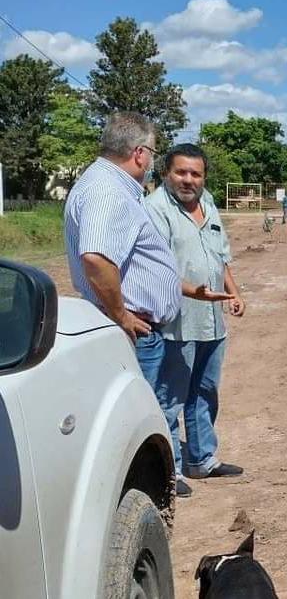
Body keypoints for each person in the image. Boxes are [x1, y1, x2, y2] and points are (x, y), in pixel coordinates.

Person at [146, 143, 246, 497]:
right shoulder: (155, 209)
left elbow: (222, 257)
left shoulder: (209, 203)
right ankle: (170, 473)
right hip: (177, 321)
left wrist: (233, 292)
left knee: (205, 391)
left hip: (211, 319)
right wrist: (195, 293)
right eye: (181, 172)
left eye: (196, 173)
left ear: (204, 177)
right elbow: (155, 270)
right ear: (167, 173)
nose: (189, 180)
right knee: (171, 398)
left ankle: (202, 460)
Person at [65, 112, 182, 387]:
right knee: (137, 421)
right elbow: (96, 258)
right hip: (132, 334)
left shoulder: (110, 185)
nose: (152, 161)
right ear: (140, 153)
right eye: (152, 153)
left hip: (136, 332)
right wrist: (121, 315)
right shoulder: (108, 192)